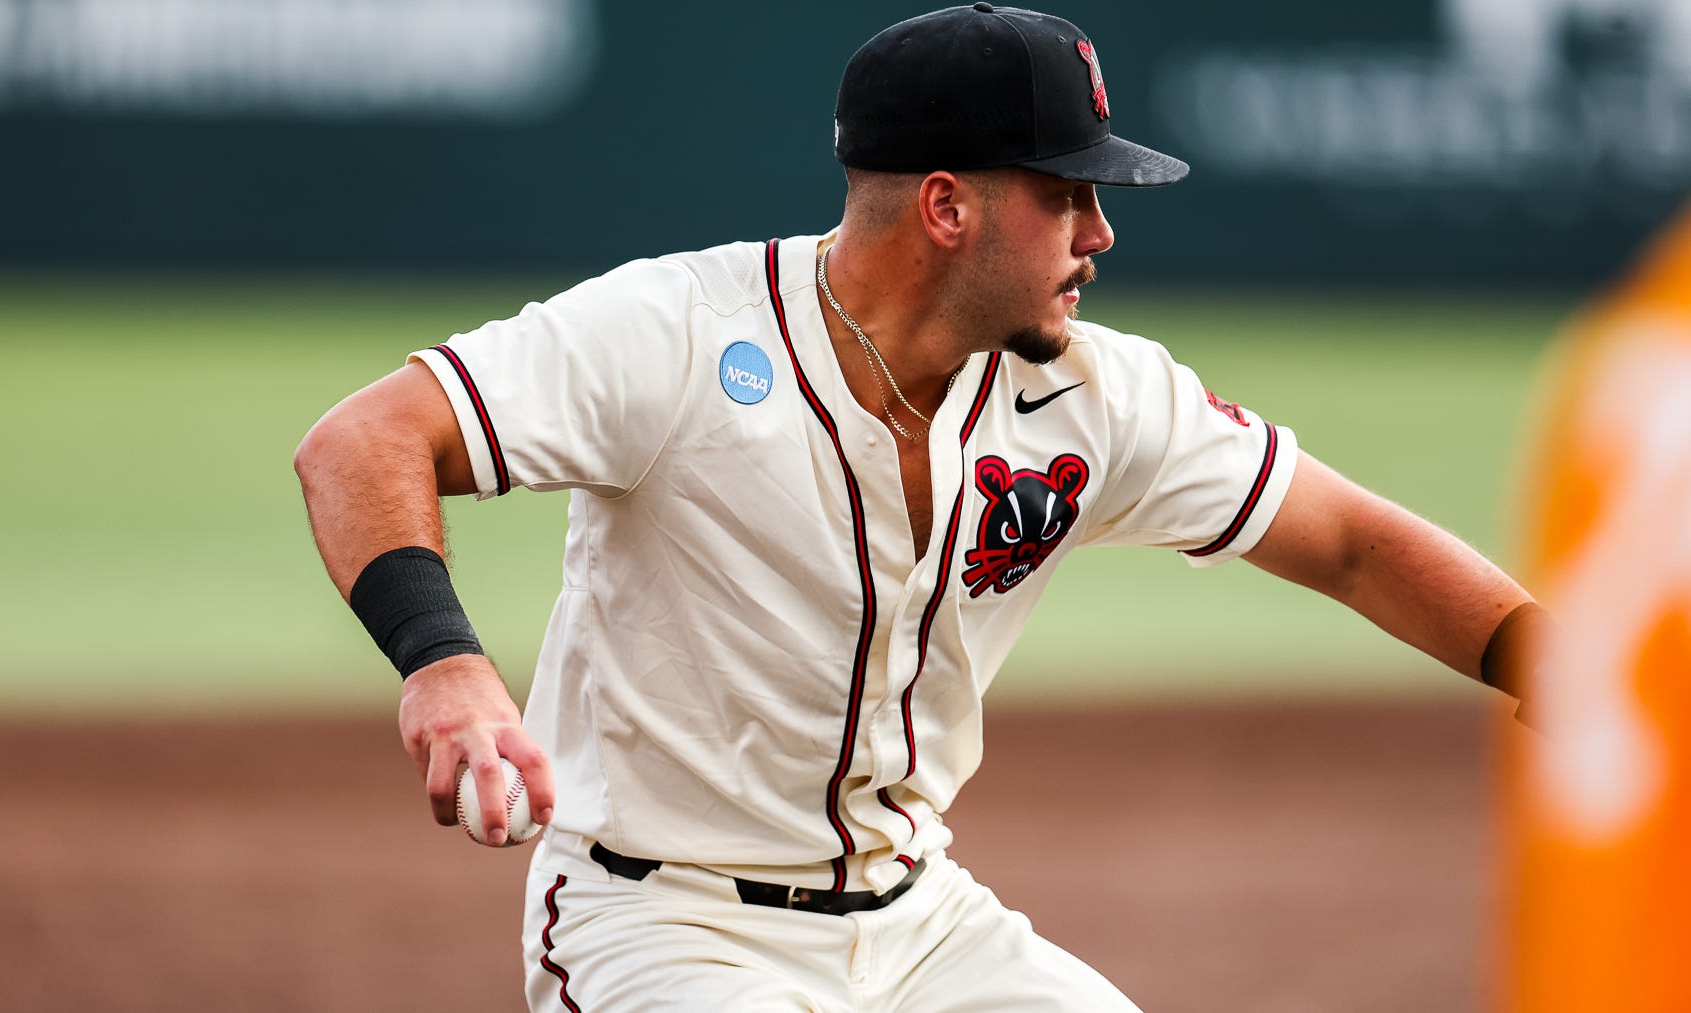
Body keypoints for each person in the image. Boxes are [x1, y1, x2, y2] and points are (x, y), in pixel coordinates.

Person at [295, 5, 1549, 1010]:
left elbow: (1351, 543)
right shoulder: (677, 333)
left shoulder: (1095, 392)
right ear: (948, 206)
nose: (1100, 230)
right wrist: (445, 665)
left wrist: (1571, 669)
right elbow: (364, 439)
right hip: (659, 926)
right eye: (1066, 192)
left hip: (922, 921)